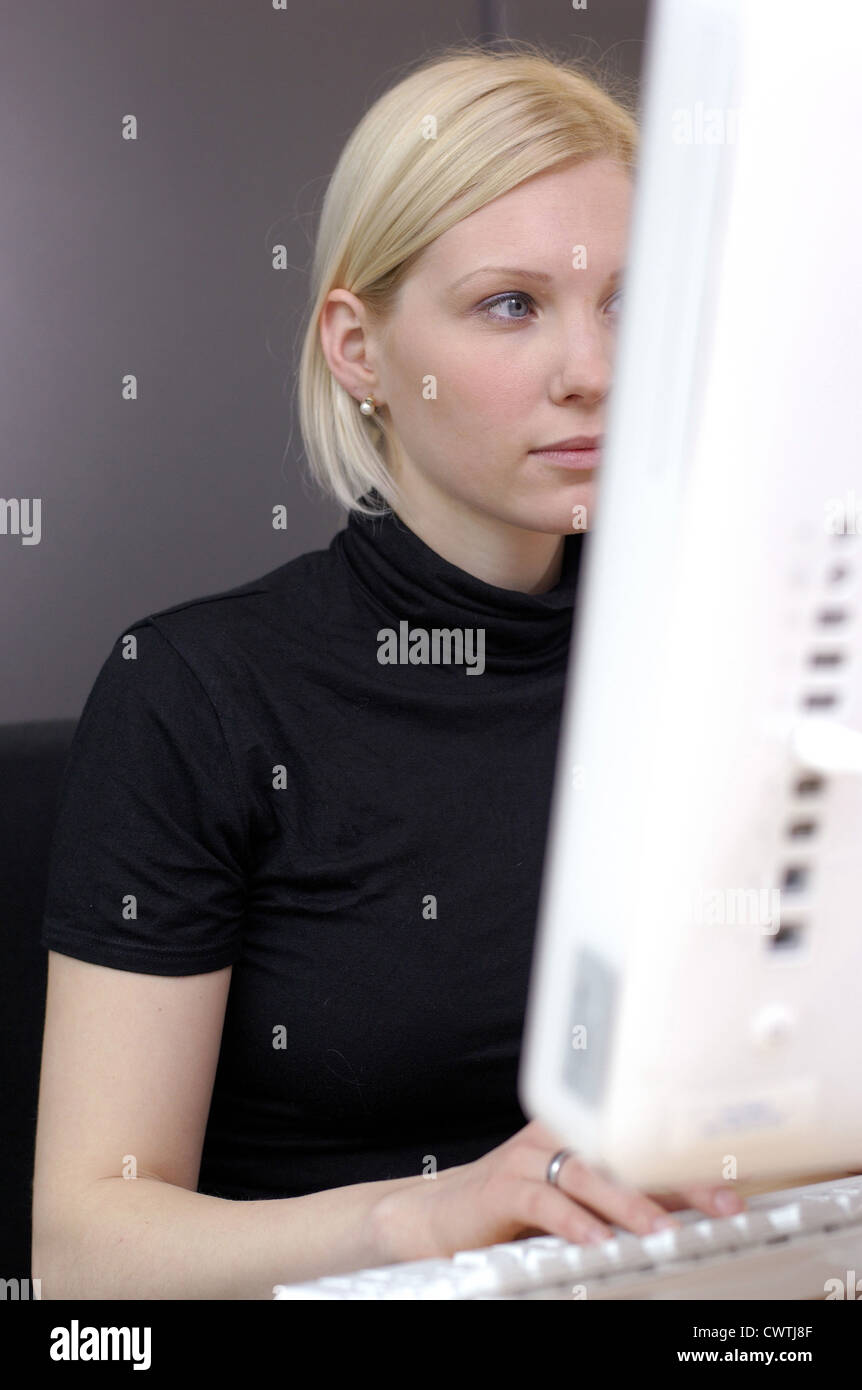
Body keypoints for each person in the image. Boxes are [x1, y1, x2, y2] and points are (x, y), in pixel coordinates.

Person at [31, 39, 745, 1301]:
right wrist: (439, 1214)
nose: (594, 370)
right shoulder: (195, 691)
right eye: (511, 304)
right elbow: (87, 1249)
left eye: (628, 301)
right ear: (361, 351)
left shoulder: (720, 664)